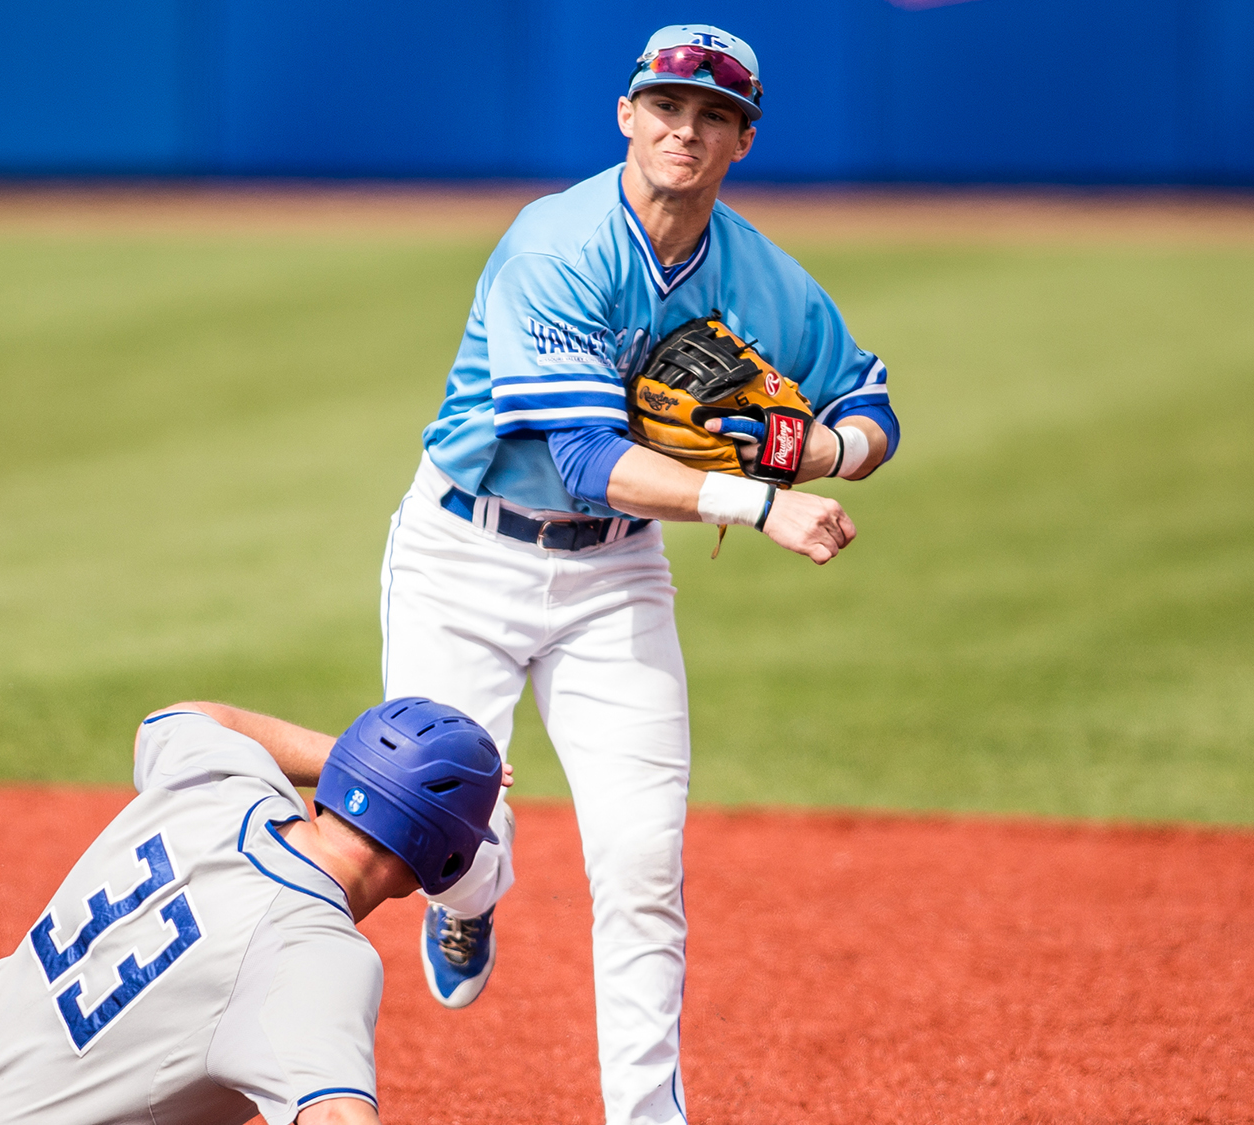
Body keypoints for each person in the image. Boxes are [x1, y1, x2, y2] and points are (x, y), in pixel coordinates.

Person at [380, 22, 899, 1125]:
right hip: (461, 557)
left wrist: (817, 450)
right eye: (667, 107)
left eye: (715, 116)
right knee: (436, 838)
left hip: (611, 579)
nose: (686, 130)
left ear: (743, 140)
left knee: (640, 860)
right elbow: (586, 459)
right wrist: (760, 500)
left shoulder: (763, 278)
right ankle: (469, 895)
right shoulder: (554, 247)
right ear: (626, 116)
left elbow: (868, 399)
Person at [0, 696, 507, 1125]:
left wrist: (372, 767)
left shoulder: (227, 780)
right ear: (445, 864)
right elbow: (337, 1114)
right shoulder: (319, 955)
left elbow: (184, 718)